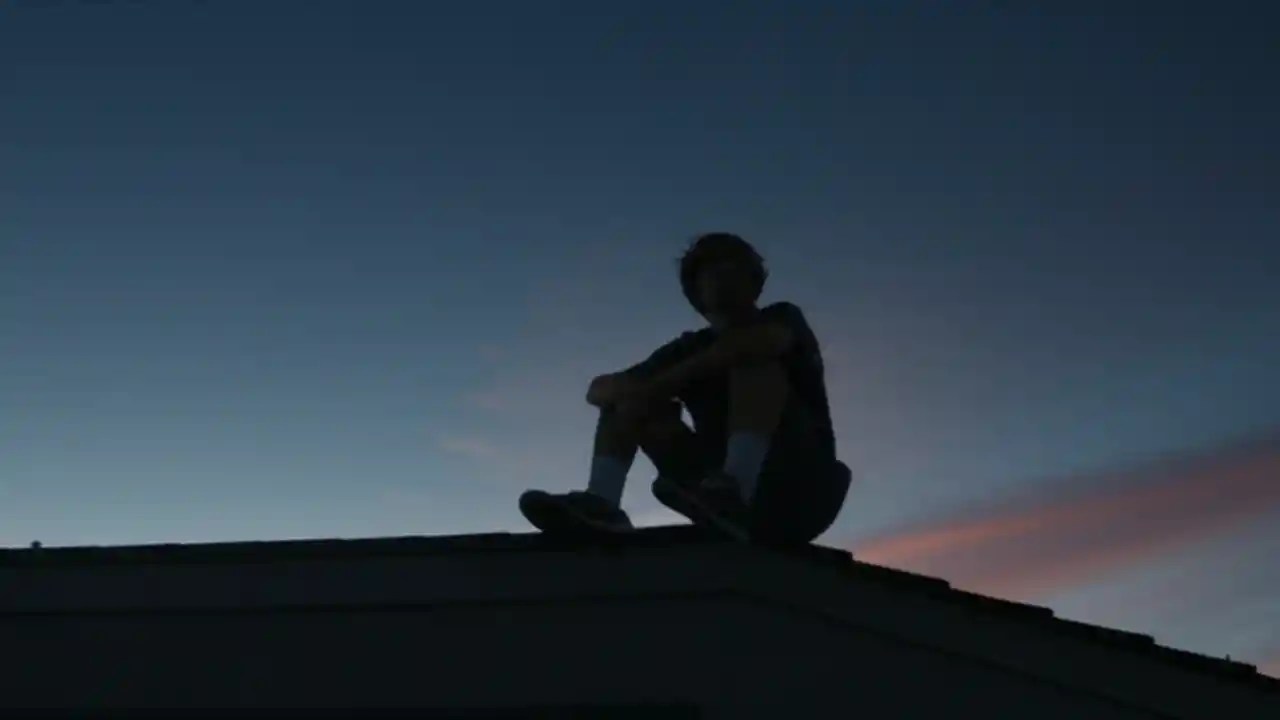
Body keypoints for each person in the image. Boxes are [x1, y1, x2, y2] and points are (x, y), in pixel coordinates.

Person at [519, 233, 849, 545]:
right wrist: (642, 392)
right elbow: (598, 390)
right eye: (710, 270)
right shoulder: (688, 347)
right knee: (627, 397)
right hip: (710, 487)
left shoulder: (782, 317)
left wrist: (659, 385)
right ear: (695, 290)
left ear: (755, 282)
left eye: (733, 267)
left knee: (754, 362)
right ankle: (603, 502)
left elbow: (753, 346)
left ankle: (734, 491)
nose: (723, 275)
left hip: (803, 492)